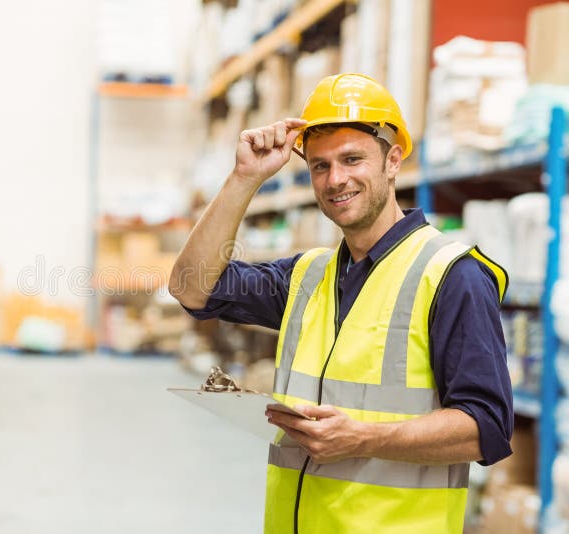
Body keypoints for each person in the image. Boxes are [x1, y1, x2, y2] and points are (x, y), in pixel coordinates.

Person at [169, 73, 513, 533]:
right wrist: (243, 178)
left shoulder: (451, 274)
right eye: (319, 166)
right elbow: (192, 287)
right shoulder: (309, 276)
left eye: (353, 159)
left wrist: (364, 438)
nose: (336, 180)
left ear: (393, 161)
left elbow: (486, 426)